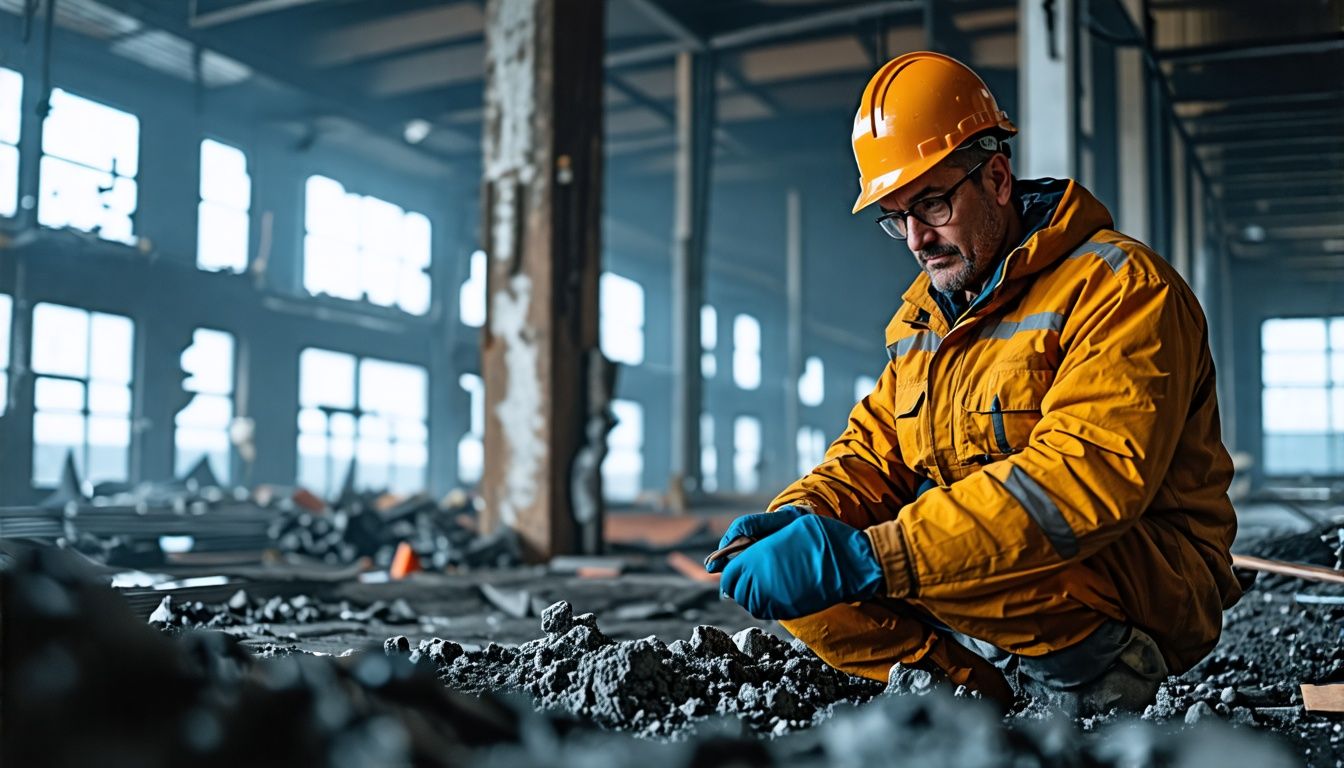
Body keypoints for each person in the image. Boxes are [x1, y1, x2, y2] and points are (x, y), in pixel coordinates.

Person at [704, 51, 1243, 714]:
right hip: (1015, 568)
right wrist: (798, 517)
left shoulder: (1119, 287)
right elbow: (870, 454)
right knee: (816, 590)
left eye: (930, 203)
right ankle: (978, 701)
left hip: (1140, 574)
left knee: (915, 556)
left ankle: (1105, 674)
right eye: (897, 216)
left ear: (996, 178)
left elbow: (1080, 486)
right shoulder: (923, 320)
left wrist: (874, 555)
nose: (915, 239)